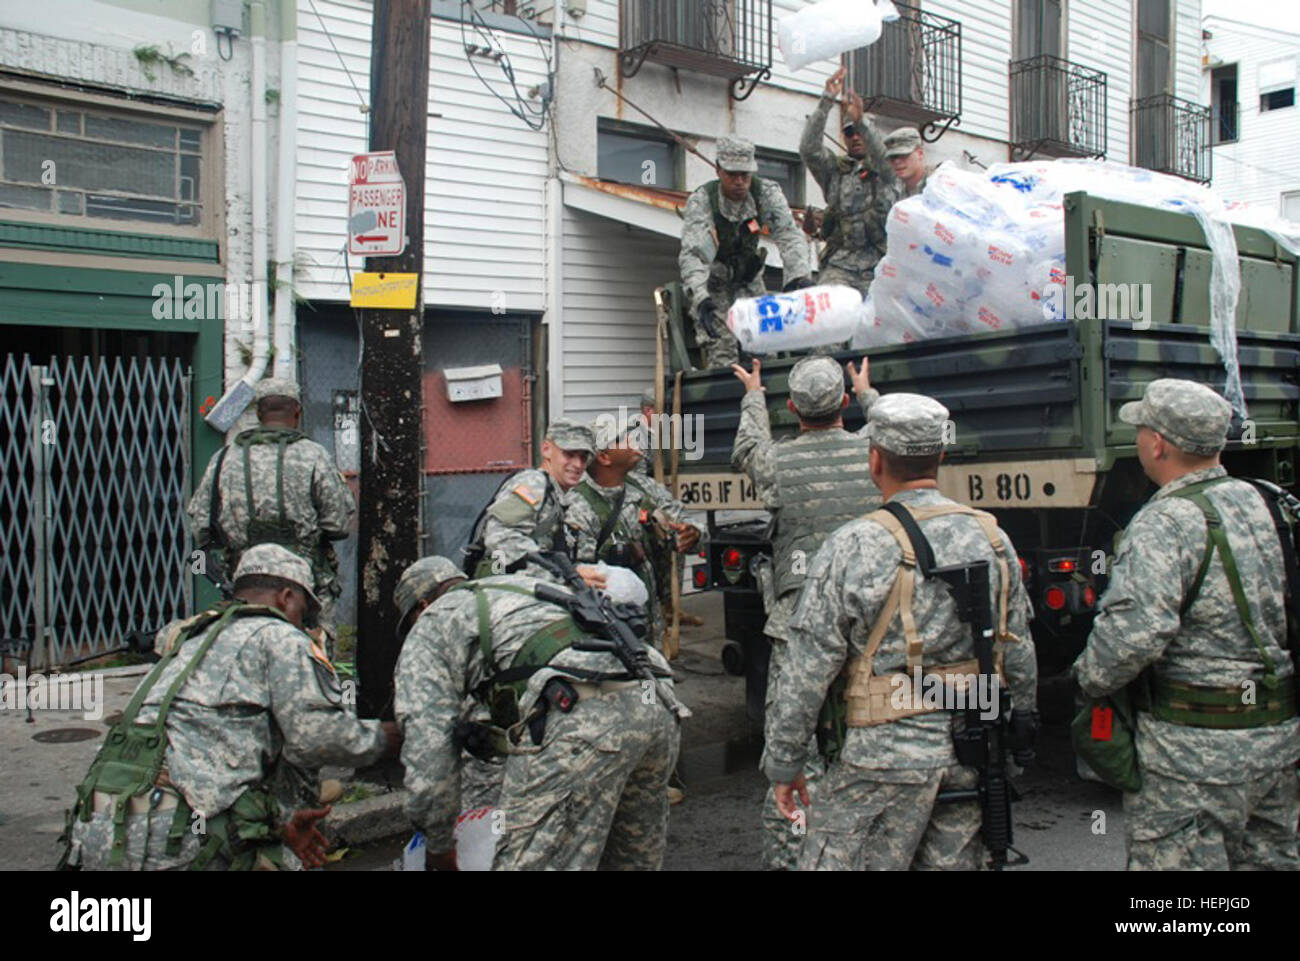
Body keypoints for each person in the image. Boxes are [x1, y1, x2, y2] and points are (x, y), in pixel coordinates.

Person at [766, 393, 1038, 870]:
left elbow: (808, 667)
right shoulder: (993, 537)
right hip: (972, 748)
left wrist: (786, 762)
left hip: (884, 758)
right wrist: (1018, 735)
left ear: (874, 459)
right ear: (942, 454)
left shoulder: (855, 544)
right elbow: (1017, 653)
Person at [1073, 378, 1300, 870]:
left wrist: (1088, 679)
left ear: (1158, 443)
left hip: (1190, 757)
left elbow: (1134, 637)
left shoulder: (1166, 521)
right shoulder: (1272, 503)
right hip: (1277, 740)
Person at [61, 544, 400, 871]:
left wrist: (282, 821)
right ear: (286, 597)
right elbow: (315, 739)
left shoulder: (189, 635)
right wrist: (394, 735)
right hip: (170, 836)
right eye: (304, 613)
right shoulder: (279, 637)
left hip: (99, 822)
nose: (304, 624)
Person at [394, 559, 688, 870]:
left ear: (422, 605)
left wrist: (439, 847)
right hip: (655, 696)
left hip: (585, 716)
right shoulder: (521, 589)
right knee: (630, 860)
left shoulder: (432, 624)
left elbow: (429, 753)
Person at [730, 354, 881, 870]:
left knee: (794, 743)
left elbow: (747, 448)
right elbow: (891, 431)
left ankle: (793, 850)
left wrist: (754, 393)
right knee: (867, 729)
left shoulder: (777, 462)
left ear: (791, 407)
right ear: (842, 402)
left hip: (797, 622)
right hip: (870, 618)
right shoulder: (872, 453)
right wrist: (867, 393)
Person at [187, 377, 354, 634]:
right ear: (297, 412)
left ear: (259, 413)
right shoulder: (314, 455)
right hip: (305, 589)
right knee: (312, 659)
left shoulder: (224, 458)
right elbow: (338, 524)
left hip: (246, 585)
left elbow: (200, 525)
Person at [679, 136, 813, 369]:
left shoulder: (766, 193)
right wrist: (700, 298)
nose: (740, 182)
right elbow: (693, 255)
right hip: (715, 284)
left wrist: (797, 278)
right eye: (732, 175)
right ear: (719, 169)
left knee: (763, 347)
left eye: (745, 175)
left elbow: (790, 235)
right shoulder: (702, 201)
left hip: (750, 281)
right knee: (723, 351)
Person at [568, 414, 702, 647]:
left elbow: (685, 520)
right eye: (623, 438)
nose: (635, 440)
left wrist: (694, 533)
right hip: (609, 632)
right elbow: (580, 581)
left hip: (651, 627)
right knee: (630, 683)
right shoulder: (578, 506)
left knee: (652, 682)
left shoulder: (645, 488)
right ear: (604, 457)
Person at [394, 555, 505, 812]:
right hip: (587, 721)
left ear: (423, 606)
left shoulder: (435, 626)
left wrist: (437, 839)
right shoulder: (506, 593)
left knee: (485, 829)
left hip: (497, 758)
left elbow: (429, 746)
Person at [799, 66, 903, 296]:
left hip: (882, 262)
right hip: (841, 265)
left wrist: (862, 122)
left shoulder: (887, 169)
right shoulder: (836, 171)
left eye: (859, 132)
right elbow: (809, 150)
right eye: (849, 133)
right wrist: (827, 101)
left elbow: (884, 159)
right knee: (827, 313)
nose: (855, 137)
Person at [470, 419, 605, 588]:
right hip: (504, 586)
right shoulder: (533, 483)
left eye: (583, 457)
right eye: (569, 454)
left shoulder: (559, 494)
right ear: (546, 449)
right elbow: (500, 538)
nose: (578, 464)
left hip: (528, 584)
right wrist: (561, 575)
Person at [883, 127, 929, 198]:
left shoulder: (937, 184)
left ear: (920, 154)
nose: (897, 161)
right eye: (892, 157)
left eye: (903, 155)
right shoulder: (895, 190)